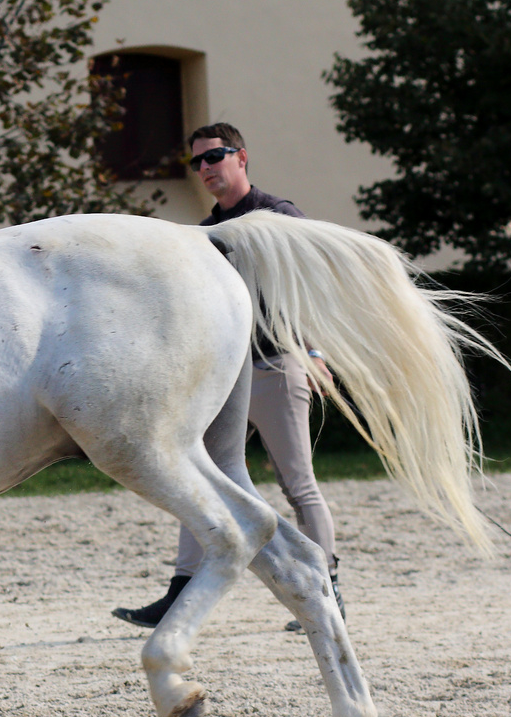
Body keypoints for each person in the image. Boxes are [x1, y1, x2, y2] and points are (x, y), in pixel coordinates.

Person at [111, 122, 342, 633]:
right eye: (197, 161)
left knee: (297, 484)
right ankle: (180, 592)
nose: (205, 168)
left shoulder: (278, 217)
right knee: (197, 477)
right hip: (222, 378)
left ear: (241, 157)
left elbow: (310, 286)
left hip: (274, 365)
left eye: (213, 156)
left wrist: (314, 349)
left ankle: (327, 590)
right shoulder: (205, 233)